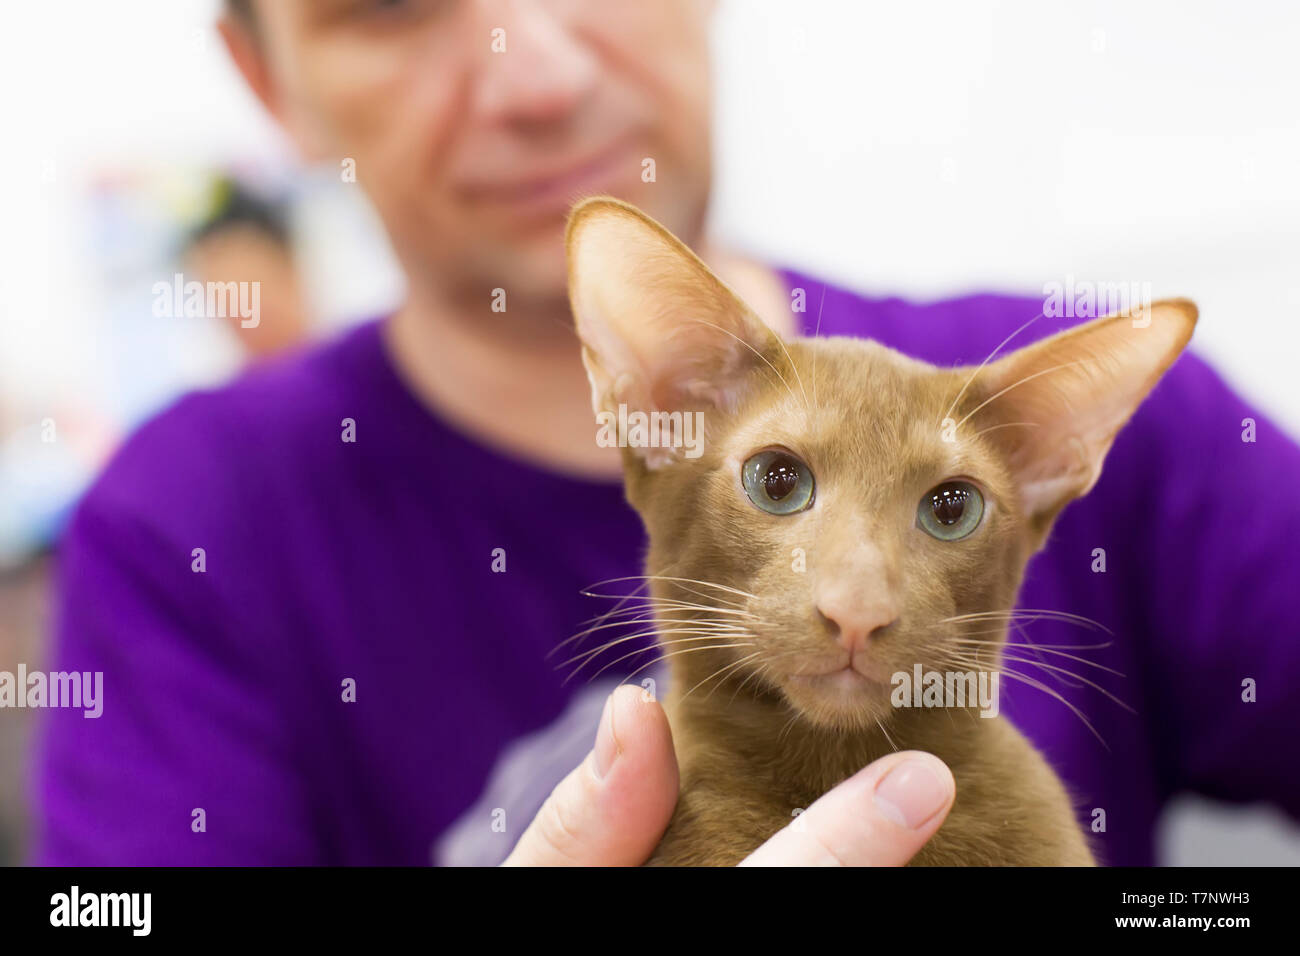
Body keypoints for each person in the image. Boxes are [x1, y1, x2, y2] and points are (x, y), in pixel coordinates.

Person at [31, 0, 1299, 866]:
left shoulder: (1075, 414)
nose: (541, 74)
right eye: (397, 1)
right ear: (271, 84)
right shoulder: (180, 526)